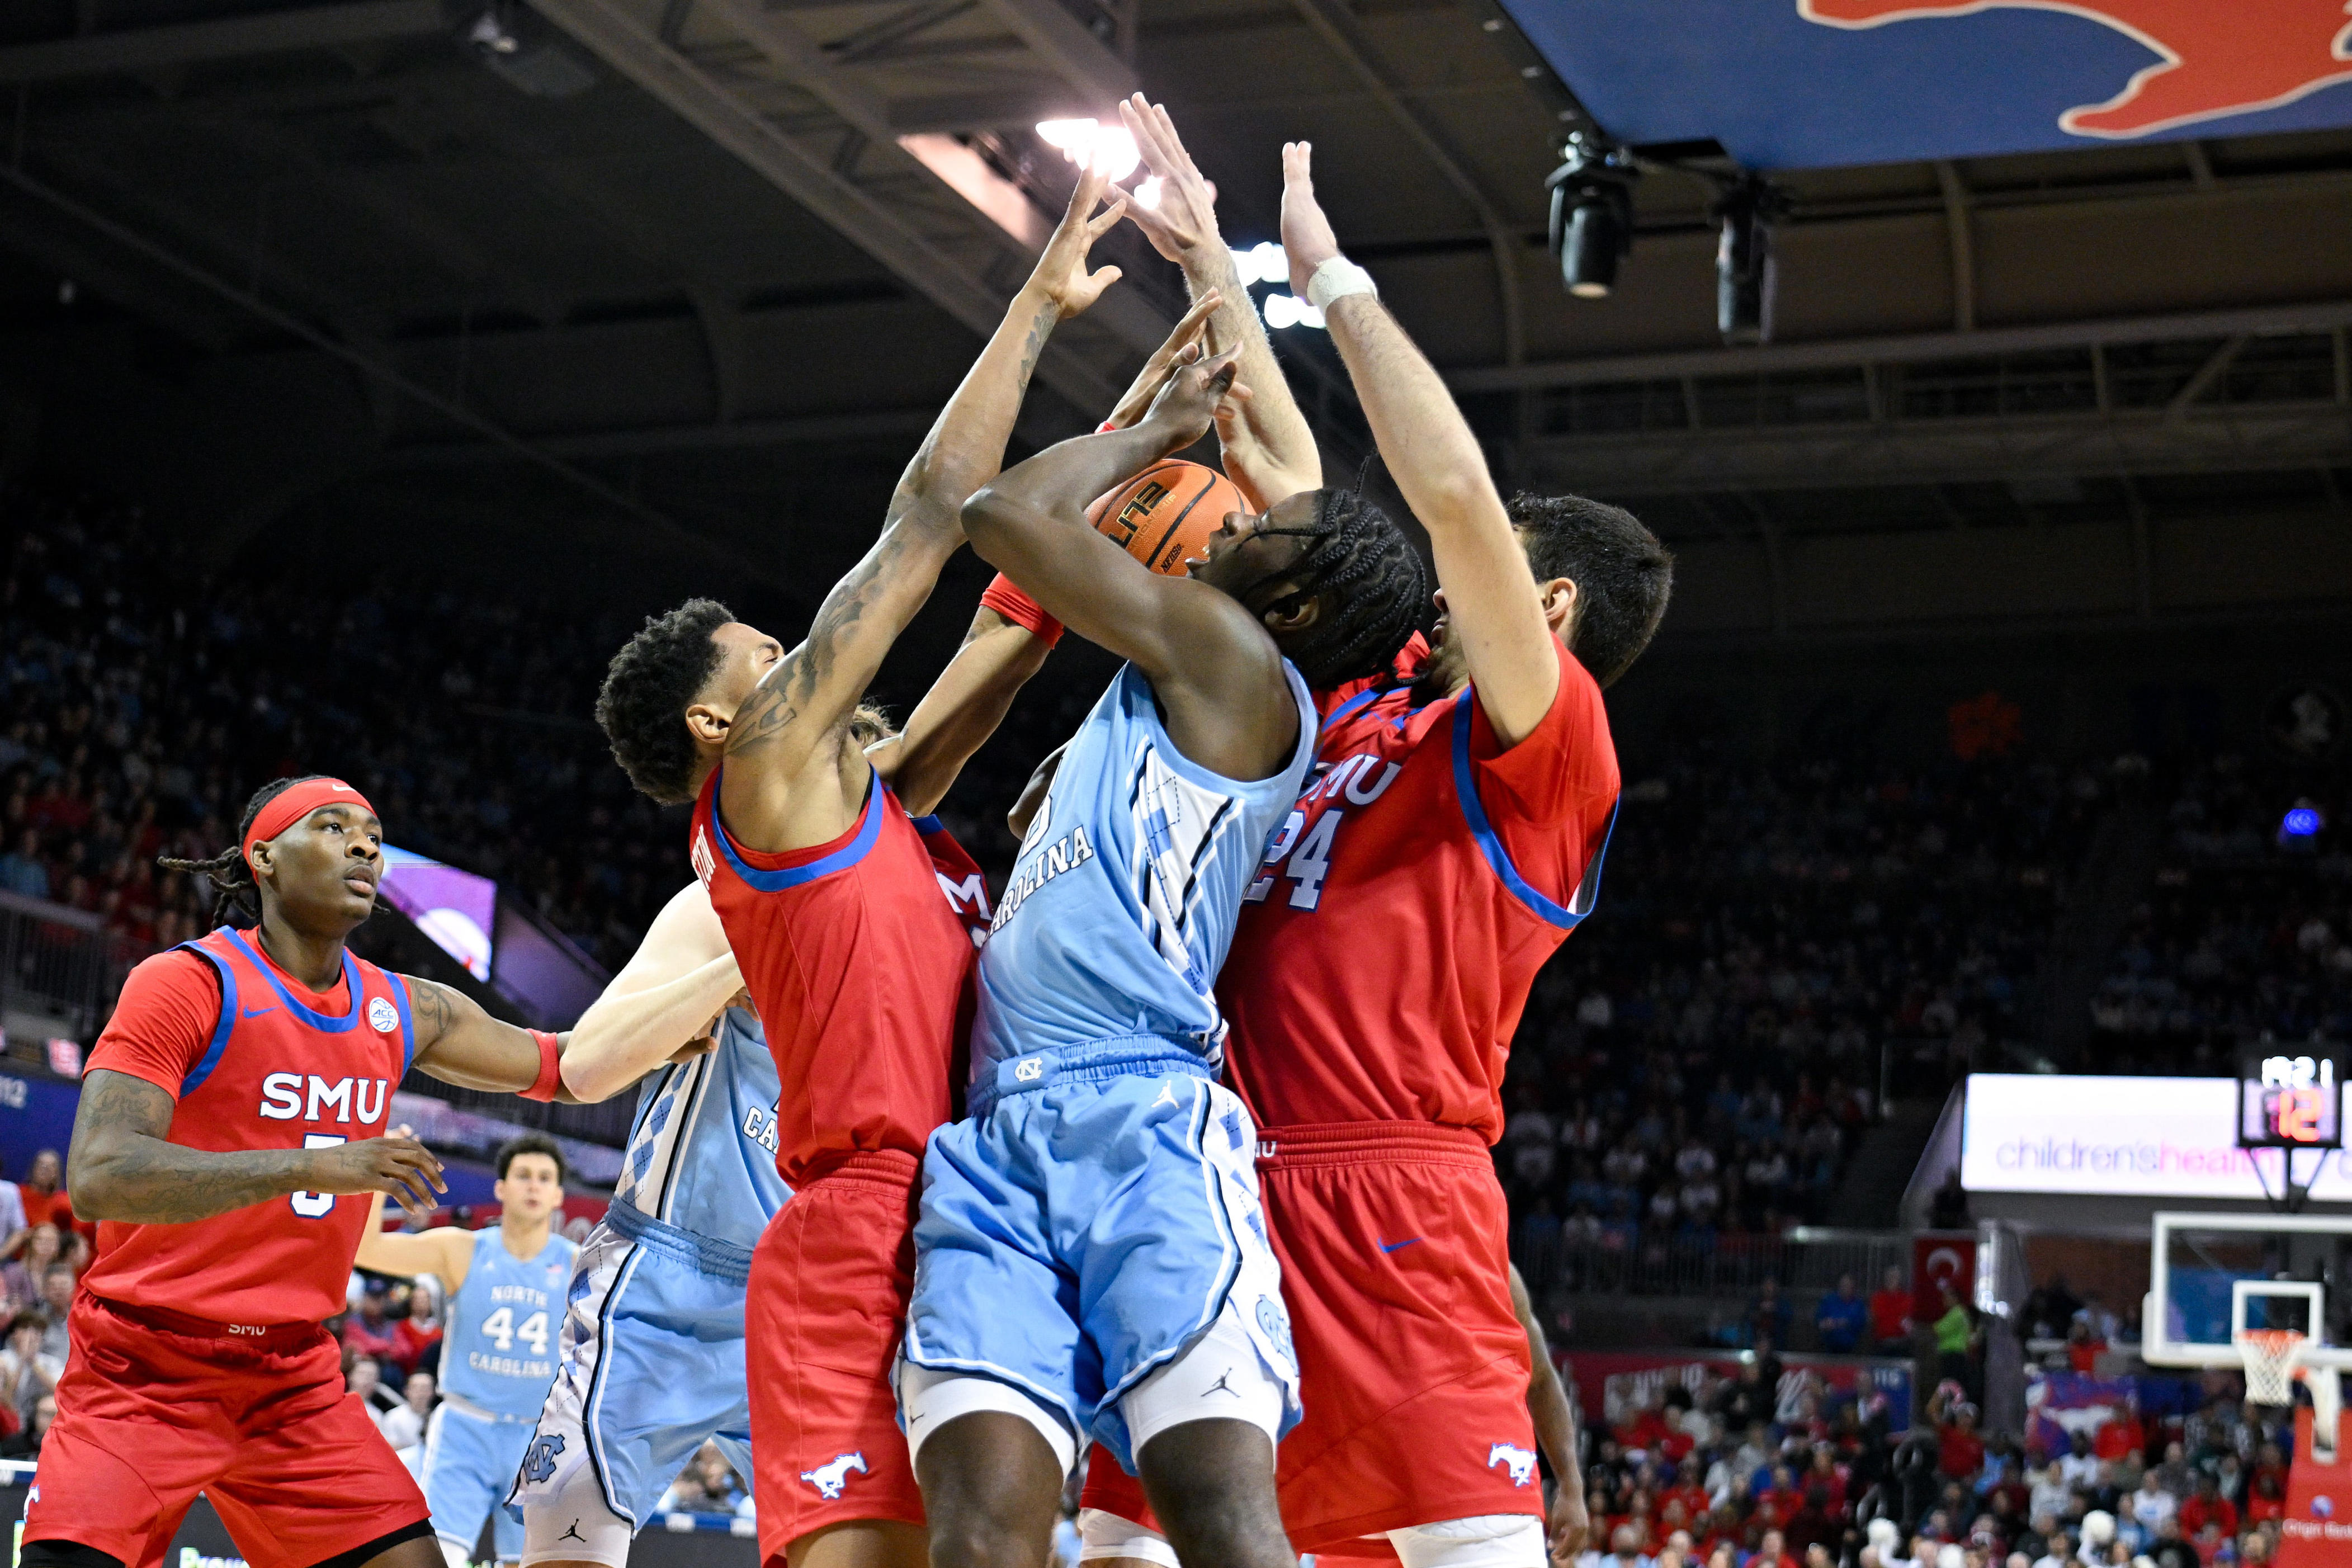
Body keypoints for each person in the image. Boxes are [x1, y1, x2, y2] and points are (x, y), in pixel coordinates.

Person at [1074, 120, 1665, 1568]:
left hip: (1396, 1212)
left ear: (1554, 610)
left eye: (1493, 579)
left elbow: (1451, 496)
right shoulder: (1374, 689)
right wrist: (1215, 250)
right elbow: (1288, 477)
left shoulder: (1545, 758)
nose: (1448, 580)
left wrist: (1334, 280)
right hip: (1205, 1193)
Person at [589, 161, 1131, 1568]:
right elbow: (931, 512)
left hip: (978, 1210)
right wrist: (1035, 306)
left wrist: (1133, 444)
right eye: (773, 662)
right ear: (723, 722)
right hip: (852, 1224)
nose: (803, 668)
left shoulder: (869, 802)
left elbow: (998, 646)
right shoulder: (765, 792)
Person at [23, 773, 613, 1568]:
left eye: (372, 831)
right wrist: (319, 1166)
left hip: (291, 1380)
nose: (366, 844)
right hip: (144, 1370)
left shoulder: (403, 1007)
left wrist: (711, 980)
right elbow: (100, 1171)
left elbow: (565, 1063)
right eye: (333, 827)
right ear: (264, 856)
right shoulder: (187, 984)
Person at [356, 1133, 579, 1566]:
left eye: (544, 1178)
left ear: (557, 1195)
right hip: (465, 1429)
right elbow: (368, 1248)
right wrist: (375, 1173)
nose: (533, 1186)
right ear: (501, 1188)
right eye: (524, 1176)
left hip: (540, 1440)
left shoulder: (577, 1263)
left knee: (532, 1561)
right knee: (442, 1559)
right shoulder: (463, 1249)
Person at [1817, 1274, 1868, 1354]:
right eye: (1843, 1285)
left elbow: (1861, 1323)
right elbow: (1819, 1320)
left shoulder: (1859, 1304)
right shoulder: (1828, 1300)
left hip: (1852, 1348)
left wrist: (1846, 1323)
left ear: (1853, 1287)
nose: (1845, 1288)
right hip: (1828, 1346)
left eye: (1848, 1285)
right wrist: (1825, 1324)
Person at [1869, 1267, 1913, 1356]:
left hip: (1902, 1343)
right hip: (1882, 1343)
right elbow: (1878, 1317)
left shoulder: (1908, 1299)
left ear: (1899, 1280)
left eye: (1894, 1277)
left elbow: (1908, 1320)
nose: (1891, 1280)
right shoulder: (1878, 1298)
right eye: (1889, 1278)